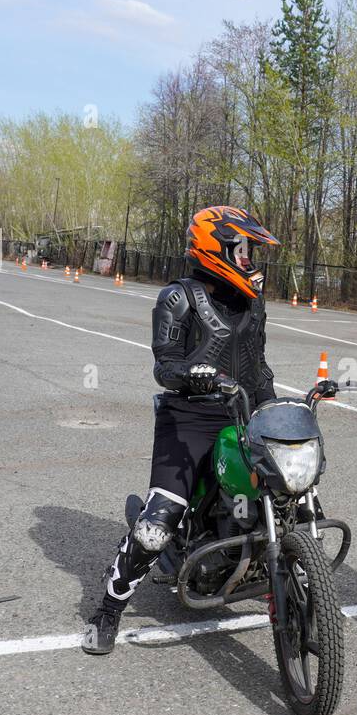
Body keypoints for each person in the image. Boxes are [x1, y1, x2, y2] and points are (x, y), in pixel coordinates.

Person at [84, 206, 281, 654]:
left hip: (242, 413)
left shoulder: (253, 302)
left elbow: (259, 366)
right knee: (157, 523)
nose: (250, 261)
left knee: (287, 489)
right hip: (189, 417)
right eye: (243, 251)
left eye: (251, 252)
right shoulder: (179, 297)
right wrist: (195, 374)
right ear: (217, 251)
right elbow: (164, 365)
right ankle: (107, 612)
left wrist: (274, 408)